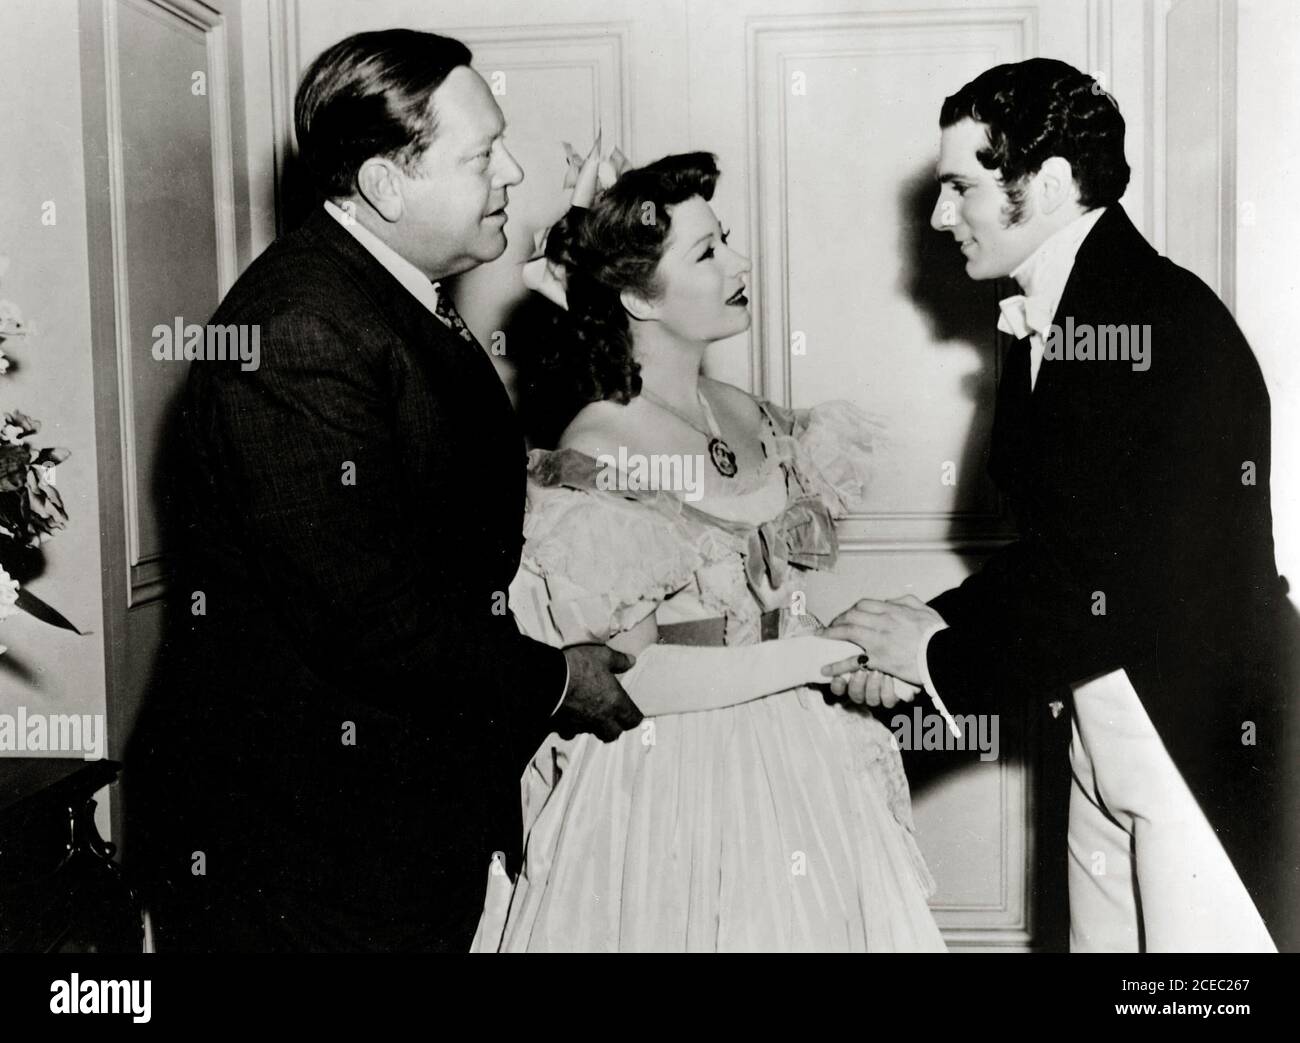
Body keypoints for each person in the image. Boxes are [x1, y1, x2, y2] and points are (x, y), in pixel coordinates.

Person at [126, 29, 641, 952]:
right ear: (383, 183)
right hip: (302, 851)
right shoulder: (298, 331)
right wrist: (558, 678)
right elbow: (372, 617)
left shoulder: (388, 295)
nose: (513, 172)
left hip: (381, 829)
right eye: (483, 154)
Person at [823, 58, 1288, 952]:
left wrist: (932, 650)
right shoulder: (1064, 307)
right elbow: (1072, 550)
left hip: (1192, 743)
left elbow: (1113, 576)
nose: (938, 216)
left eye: (961, 187)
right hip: (1102, 725)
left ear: (1050, 184)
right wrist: (929, 619)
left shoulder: (1147, 319)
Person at [475, 152, 946, 952]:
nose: (740, 262)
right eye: (706, 252)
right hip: (670, 777)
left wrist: (838, 650)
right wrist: (827, 654)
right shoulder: (599, 443)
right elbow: (632, 676)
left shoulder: (745, 410)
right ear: (634, 296)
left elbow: (762, 610)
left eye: (725, 239)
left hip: (799, 754)